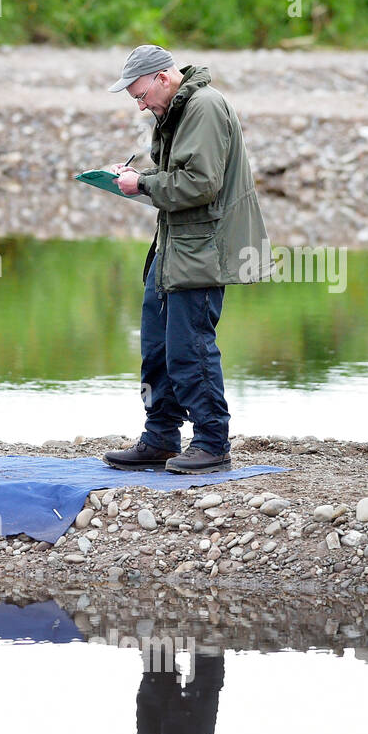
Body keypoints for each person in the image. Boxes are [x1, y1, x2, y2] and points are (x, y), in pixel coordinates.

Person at [102, 45, 269, 474]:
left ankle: (212, 443)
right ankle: (160, 437)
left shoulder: (205, 107)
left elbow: (200, 184)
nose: (140, 105)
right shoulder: (175, 110)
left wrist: (141, 185)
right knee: (155, 348)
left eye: (140, 95)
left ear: (162, 77)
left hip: (203, 251)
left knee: (189, 350)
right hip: (174, 245)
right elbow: (178, 177)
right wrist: (132, 179)